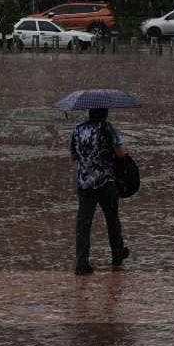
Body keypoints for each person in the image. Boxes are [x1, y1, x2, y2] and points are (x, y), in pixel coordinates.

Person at [70, 107, 131, 275]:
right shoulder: (107, 127)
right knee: (112, 219)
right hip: (105, 182)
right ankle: (117, 255)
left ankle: (82, 262)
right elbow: (120, 153)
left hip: (84, 183)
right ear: (105, 113)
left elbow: (73, 156)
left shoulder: (78, 129)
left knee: (84, 223)